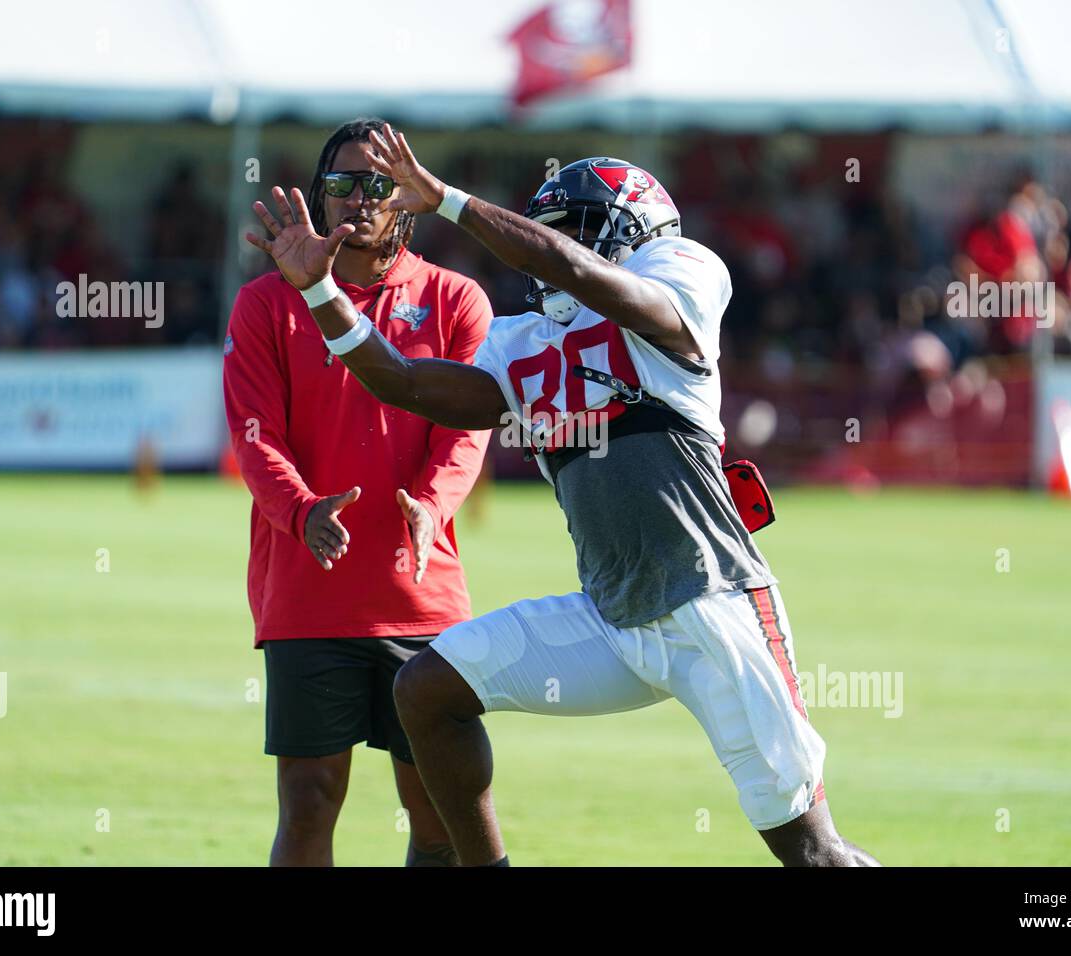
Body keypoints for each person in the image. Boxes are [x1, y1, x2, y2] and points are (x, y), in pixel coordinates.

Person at [244, 123, 877, 867]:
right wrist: (318, 290)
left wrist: (448, 202)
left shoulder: (684, 272)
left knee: (812, 853)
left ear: (626, 227)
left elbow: (579, 272)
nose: (548, 249)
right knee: (426, 691)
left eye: (569, 228)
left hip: (712, 605)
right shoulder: (527, 340)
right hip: (610, 616)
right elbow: (405, 382)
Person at [223, 118, 493, 866]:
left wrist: (431, 507)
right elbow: (253, 436)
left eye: (377, 185)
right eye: (339, 183)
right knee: (308, 802)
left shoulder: (457, 300)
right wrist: (301, 511)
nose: (357, 200)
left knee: (438, 813)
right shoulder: (265, 305)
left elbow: (465, 434)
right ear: (317, 194)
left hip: (421, 597)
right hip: (307, 594)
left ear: (406, 199)